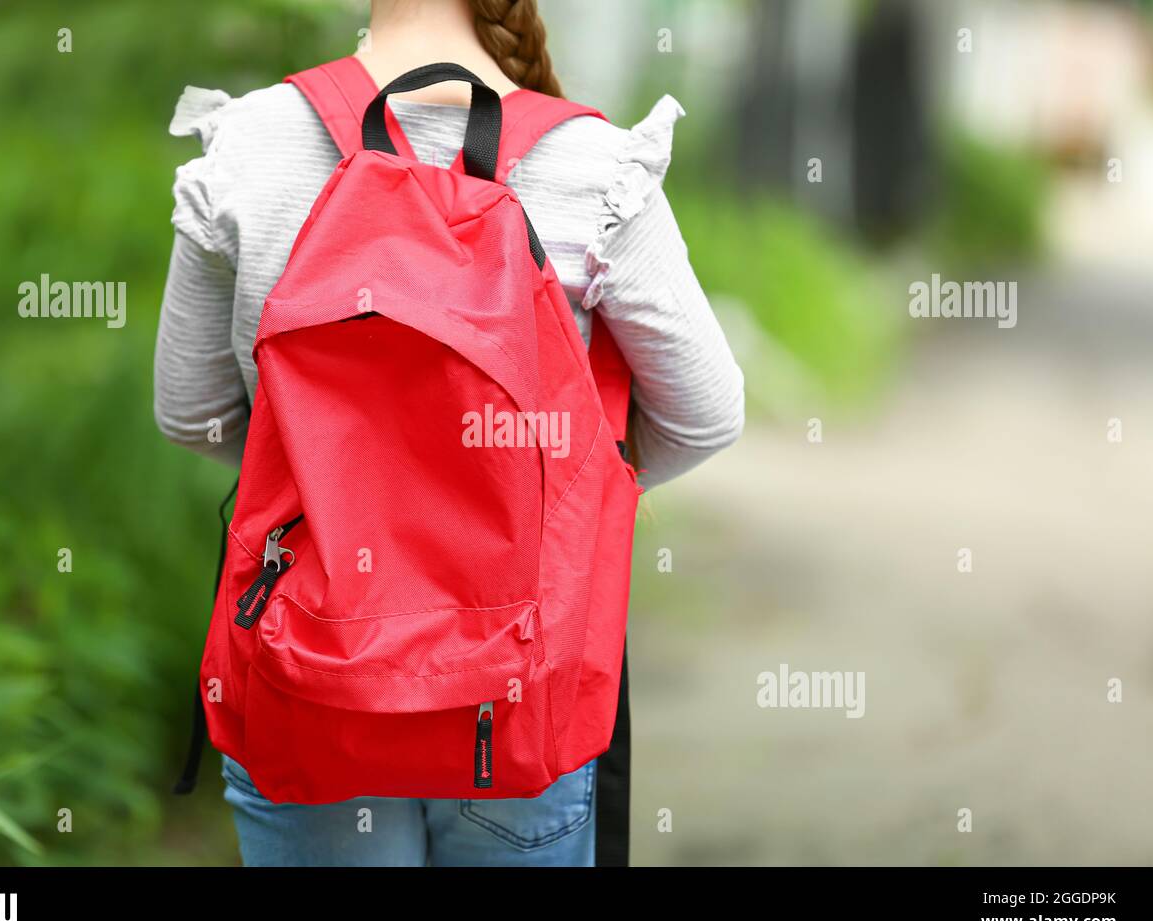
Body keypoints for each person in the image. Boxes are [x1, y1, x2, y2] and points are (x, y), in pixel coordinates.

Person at [155, 0, 744, 866]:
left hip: (306, 667)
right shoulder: (597, 167)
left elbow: (190, 410)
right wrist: (556, 503)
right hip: (514, 678)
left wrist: (333, 480)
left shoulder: (248, 146)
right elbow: (705, 413)